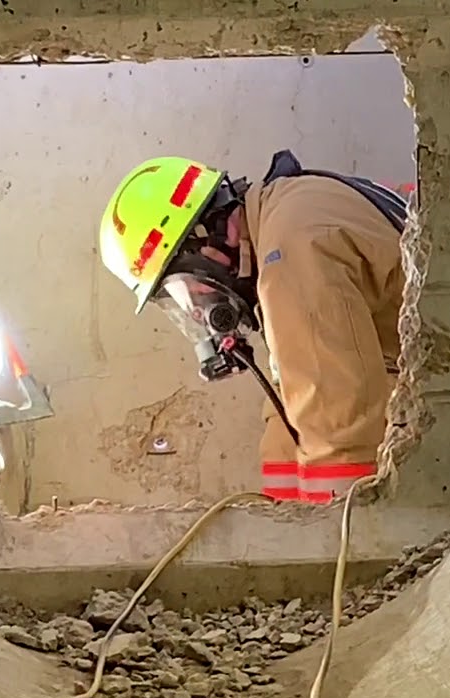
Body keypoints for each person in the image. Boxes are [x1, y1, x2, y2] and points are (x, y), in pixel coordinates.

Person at [97, 149, 411, 504]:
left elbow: (335, 428)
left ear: (210, 237)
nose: (198, 309)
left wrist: (329, 546)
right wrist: (277, 528)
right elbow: (290, 414)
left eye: (185, 288)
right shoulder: (282, 217)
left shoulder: (291, 252)